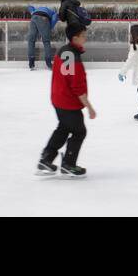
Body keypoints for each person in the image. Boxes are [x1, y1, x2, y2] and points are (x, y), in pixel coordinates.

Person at [37, 24, 96, 177]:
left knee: (63, 128)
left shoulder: (63, 50)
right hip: (68, 102)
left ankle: (46, 159)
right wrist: (89, 107)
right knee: (79, 132)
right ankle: (68, 164)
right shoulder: (73, 57)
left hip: (58, 98)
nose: (85, 38)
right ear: (75, 38)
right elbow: (77, 87)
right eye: (83, 35)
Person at [27, 5, 58, 71]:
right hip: (44, 17)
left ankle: (31, 64)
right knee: (46, 41)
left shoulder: (37, 8)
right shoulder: (53, 12)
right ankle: (49, 64)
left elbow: (30, 7)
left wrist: (32, 12)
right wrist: (48, 28)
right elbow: (55, 18)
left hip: (33, 17)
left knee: (31, 41)